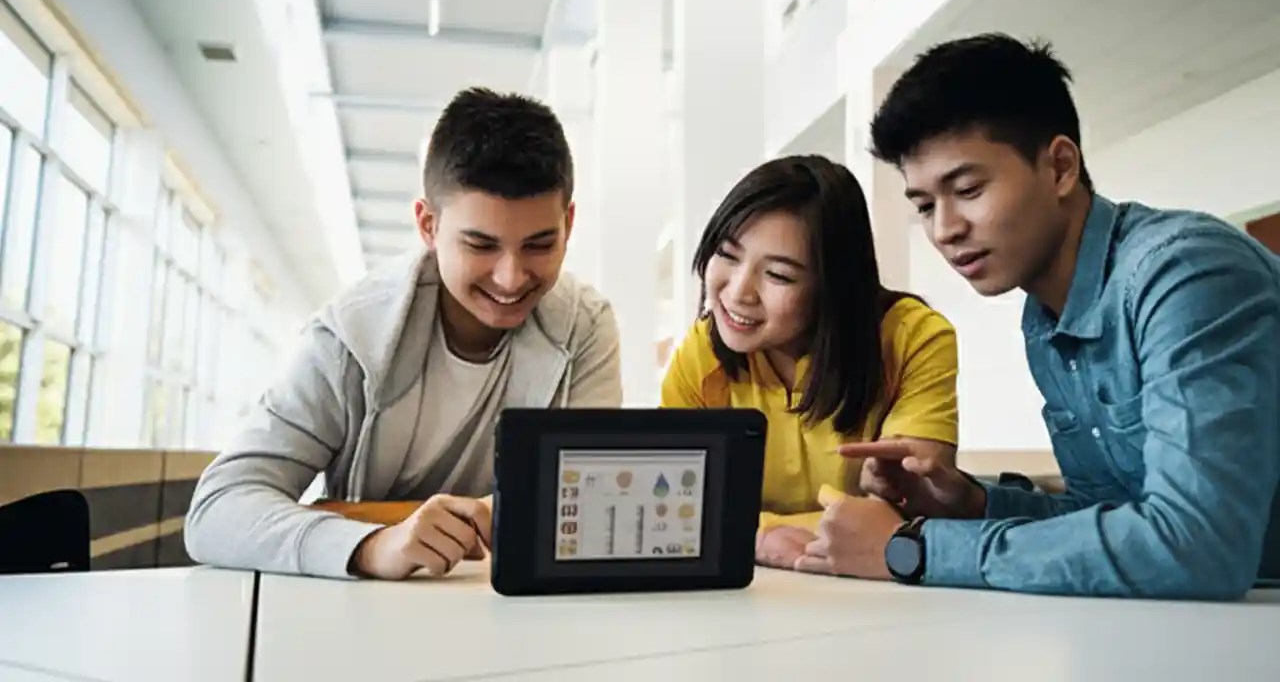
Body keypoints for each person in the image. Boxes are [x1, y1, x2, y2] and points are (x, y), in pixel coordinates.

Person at [799, 33, 1280, 600]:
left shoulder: (1183, 274)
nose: (945, 229)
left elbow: (1199, 546)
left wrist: (917, 548)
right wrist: (970, 503)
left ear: (1059, 167)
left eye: (968, 189)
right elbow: (1111, 515)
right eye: (925, 206)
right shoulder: (1046, 318)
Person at [185, 88, 622, 580]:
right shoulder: (349, 337)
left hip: (512, 606)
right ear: (428, 225)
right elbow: (216, 509)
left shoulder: (586, 325)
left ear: (568, 223)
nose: (511, 277)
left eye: (539, 245)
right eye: (481, 244)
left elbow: (590, 498)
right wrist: (372, 545)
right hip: (372, 608)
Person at [660, 155, 959, 570]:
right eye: (727, 255)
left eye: (778, 276)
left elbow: (901, 513)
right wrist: (761, 537)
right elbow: (674, 509)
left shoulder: (913, 339)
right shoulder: (702, 352)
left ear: (833, 287)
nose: (739, 291)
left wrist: (744, 529)